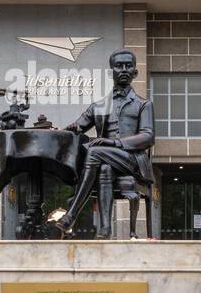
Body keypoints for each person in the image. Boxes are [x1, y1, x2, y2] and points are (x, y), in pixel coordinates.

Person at [50, 49, 154, 238]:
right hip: (105, 163)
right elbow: (78, 126)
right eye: (119, 66)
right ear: (110, 72)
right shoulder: (99, 105)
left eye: (128, 66)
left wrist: (114, 142)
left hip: (133, 161)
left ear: (135, 72)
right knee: (104, 168)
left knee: (95, 152)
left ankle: (71, 214)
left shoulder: (143, 104)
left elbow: (148, 137)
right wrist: (66, 130)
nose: (123, 69)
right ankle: (104, 230)